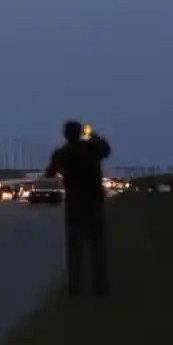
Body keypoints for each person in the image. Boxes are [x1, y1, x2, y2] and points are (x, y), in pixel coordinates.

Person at [45, 120, 112, 297]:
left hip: (75, 207)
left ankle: (76, 289)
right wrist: (94, 136)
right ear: (80, 132)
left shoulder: (62, 153)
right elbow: (106, 150)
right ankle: (100, 288)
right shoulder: (91, 148)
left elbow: (50, 173)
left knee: (75, 252)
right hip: (94, 204)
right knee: (97, 249)